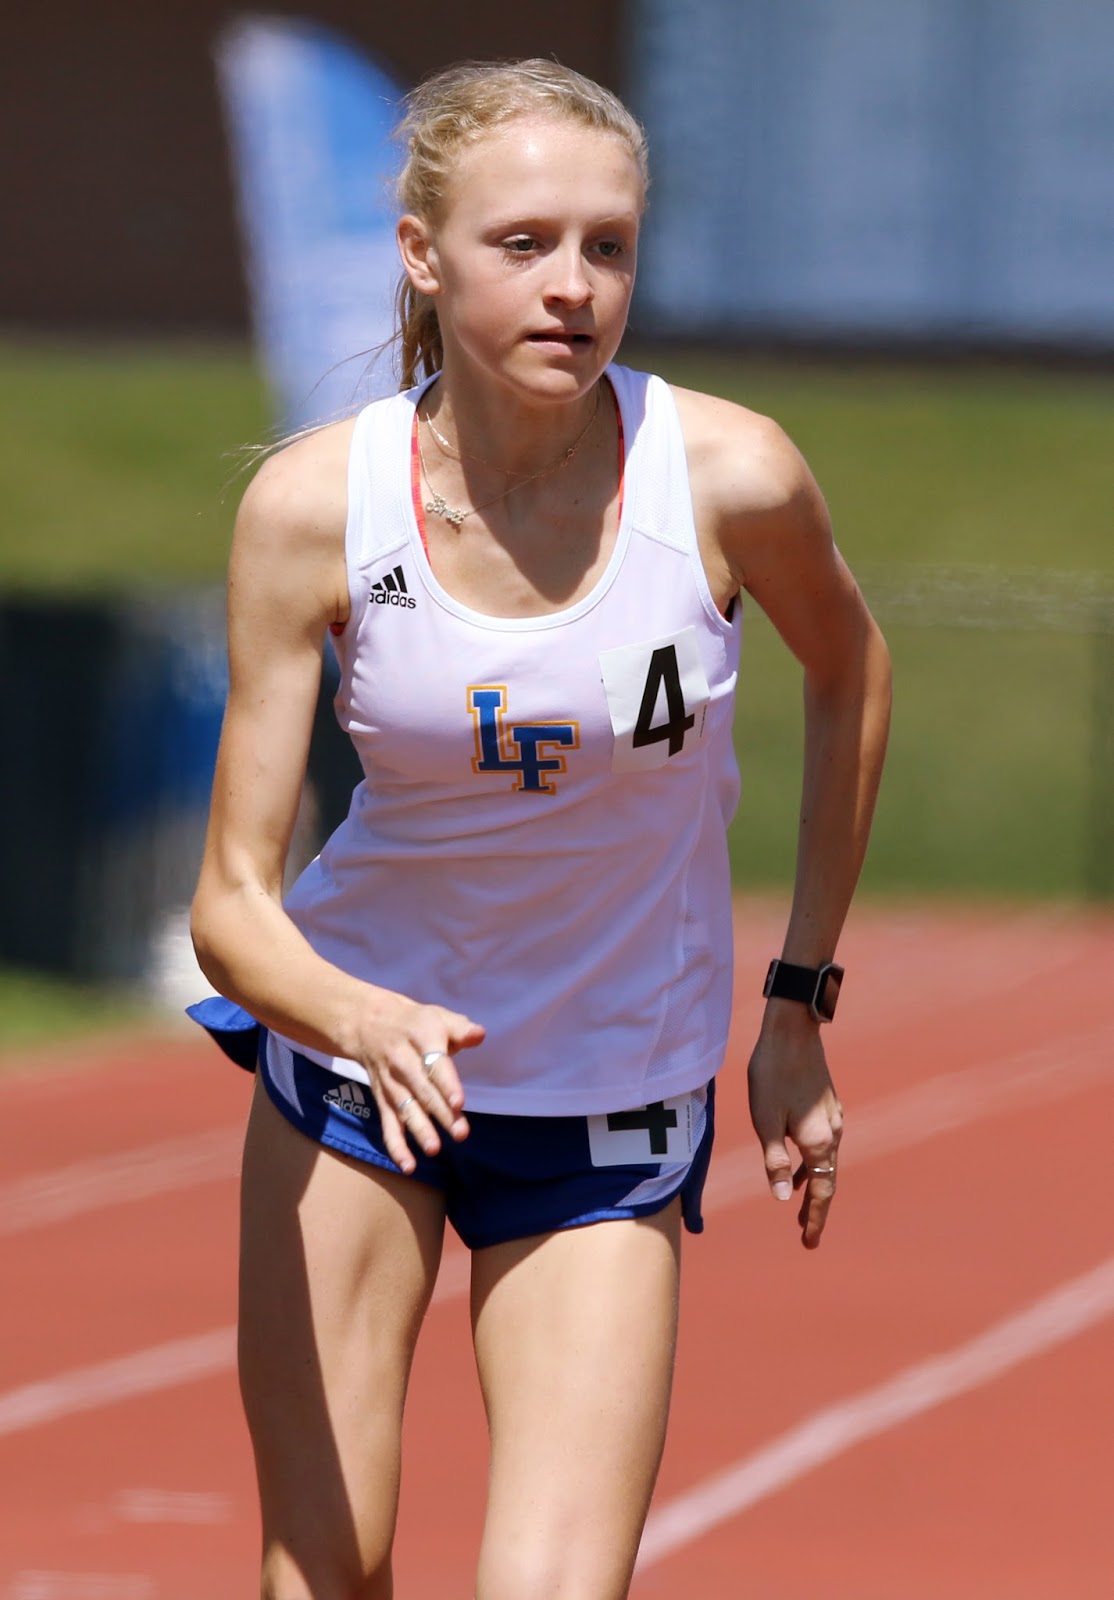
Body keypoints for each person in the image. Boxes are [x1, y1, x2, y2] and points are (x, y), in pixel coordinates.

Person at [189, 56, 891, 1600]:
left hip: (608, 1104)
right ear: (423, 255)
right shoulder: (316, 509)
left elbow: (851, 671)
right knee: (328, 1570)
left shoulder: (729, 477)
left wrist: (795, 1002)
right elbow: (231, 907)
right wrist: (361, 1018)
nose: (574, 287)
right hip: (357, 1086)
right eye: (523, 245)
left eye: (608, 246)